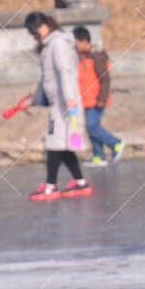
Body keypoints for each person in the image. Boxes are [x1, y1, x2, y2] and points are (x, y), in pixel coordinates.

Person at [24, 12, 90, 201]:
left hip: (64, 103)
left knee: (54, 143)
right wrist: (37, 97)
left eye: (35, 32)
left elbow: (65, 71)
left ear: (44, 26)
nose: (36, 36)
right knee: (63, 144)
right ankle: (80, 181)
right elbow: (47, 75)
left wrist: (69, 98)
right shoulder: (50, 45)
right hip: (57, 102)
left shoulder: (58, 43)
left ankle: (50, 186)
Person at [73, 26, 122, 166]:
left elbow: (105, 79)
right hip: (86, 100)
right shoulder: (82, 56)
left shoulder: (97, 56)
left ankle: (116, 143)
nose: (74, 46)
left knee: (92, 126)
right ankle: (98, 156)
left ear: (83, 41)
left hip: (97, 99)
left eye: (76, 42)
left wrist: (101, 99)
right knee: (92, 126)